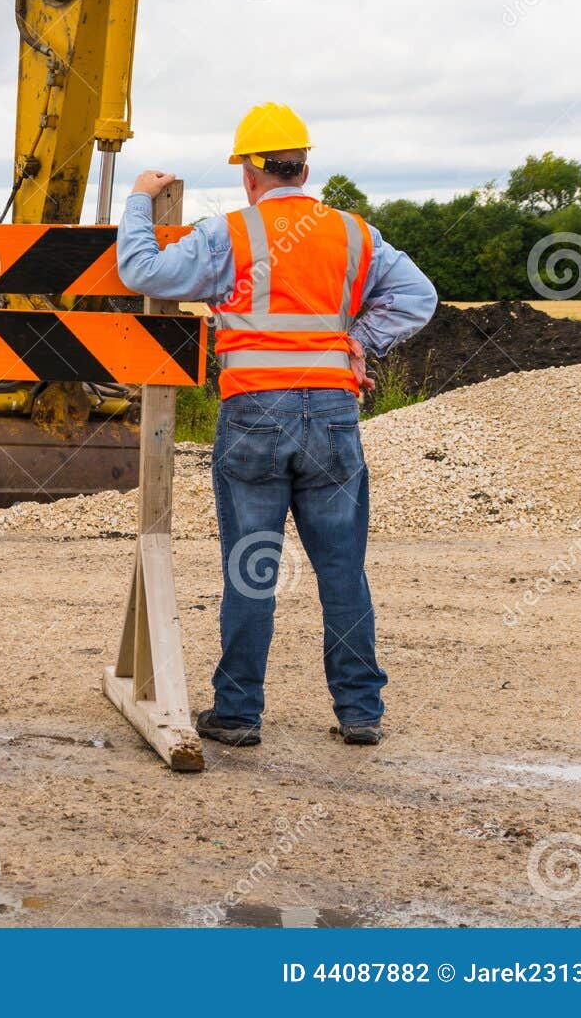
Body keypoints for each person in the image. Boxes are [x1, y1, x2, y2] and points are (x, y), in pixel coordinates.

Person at [115, 103, 437, 747]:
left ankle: (237, 713)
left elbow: (142, 271)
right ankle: (360, 713)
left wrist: (139, 201)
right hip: (333, 417)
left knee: (251, 567)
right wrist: (359, 341)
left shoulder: (229, 234)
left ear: (249, 174)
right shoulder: (352, 234)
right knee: (343, 569)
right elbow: (418, 297)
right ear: (306, 168)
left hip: (255, 415)